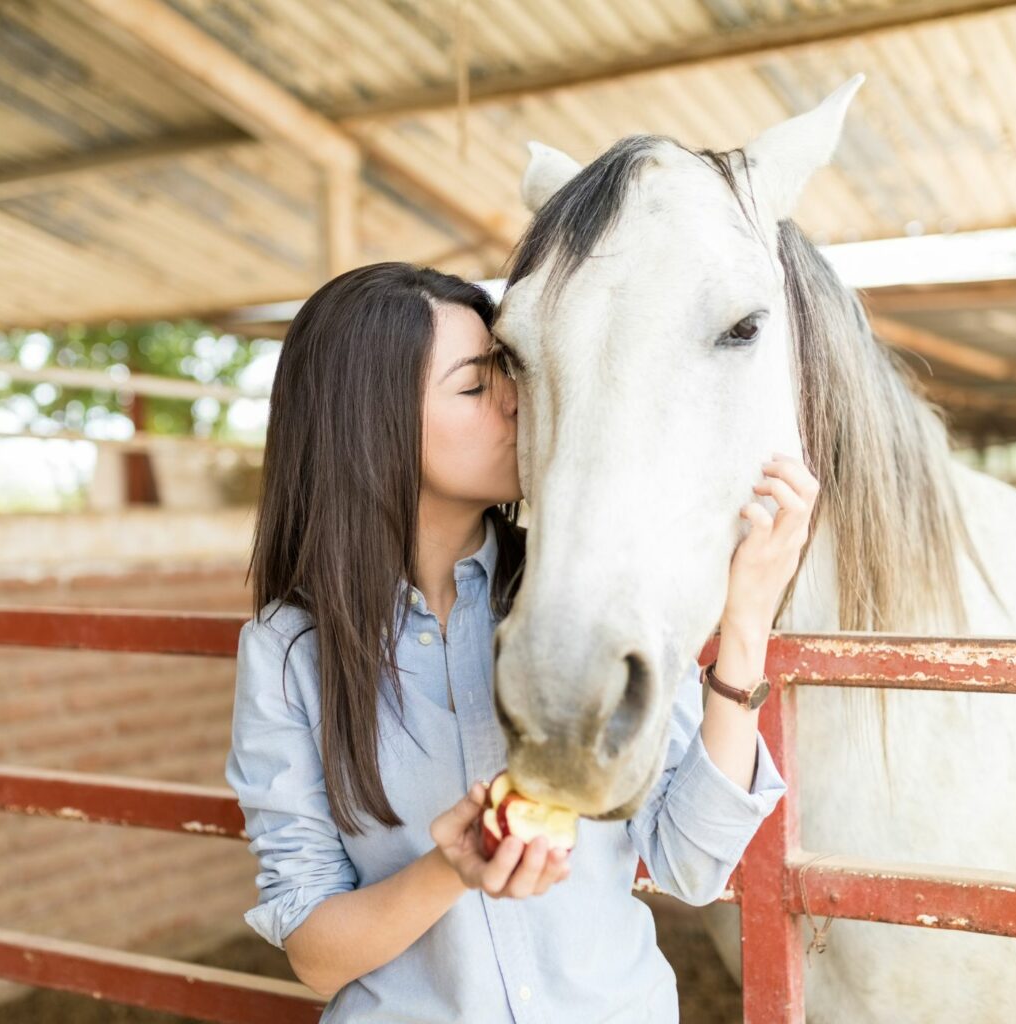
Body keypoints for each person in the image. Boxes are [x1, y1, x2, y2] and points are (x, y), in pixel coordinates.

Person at [226, 262, 814, 1021]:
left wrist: (746, 617)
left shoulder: (582, 593)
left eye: (507, 373)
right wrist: (454, 867)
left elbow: (692, 861)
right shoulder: (288, 655)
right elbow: (315, 957)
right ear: (369, 428)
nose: (517, 402)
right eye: (475, 388)